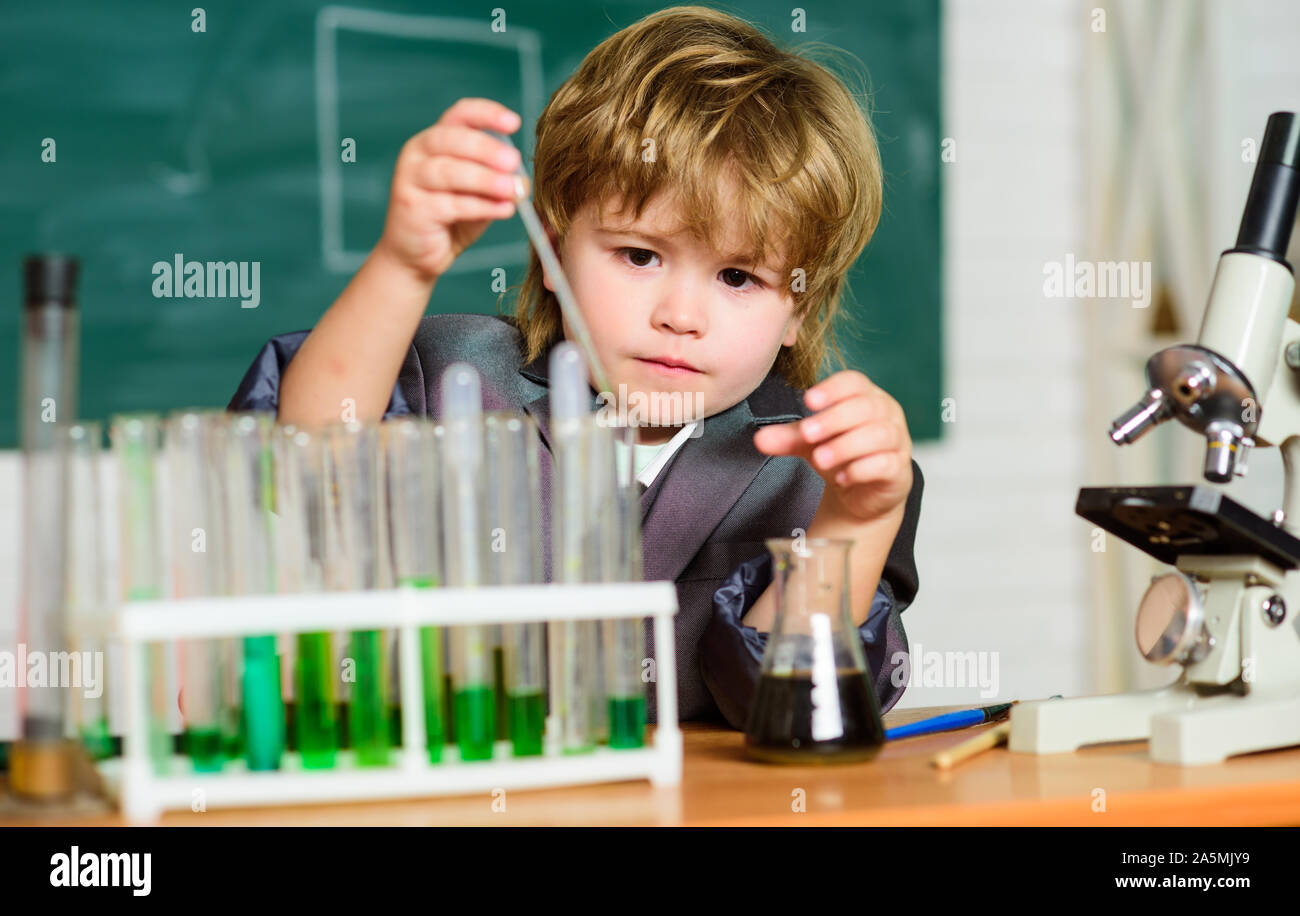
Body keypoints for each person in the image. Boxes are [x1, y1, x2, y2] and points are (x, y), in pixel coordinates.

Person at [229, 6, 923, 729]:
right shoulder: (453, 376)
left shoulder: (823, 471)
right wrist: (404, 266)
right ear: (555, 253)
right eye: (639, 256)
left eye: (739, 278)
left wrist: (855, 524)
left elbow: (792, 708)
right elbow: (305, 461)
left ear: (800, 310)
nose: (681, 315)